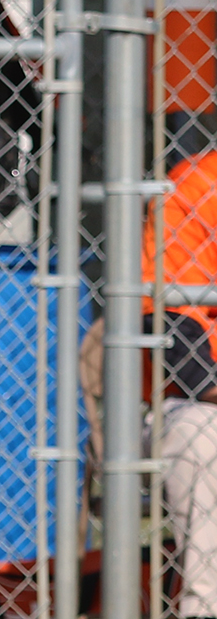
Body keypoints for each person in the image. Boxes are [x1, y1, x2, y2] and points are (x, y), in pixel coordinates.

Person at [141, 149, 217, 619]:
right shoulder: (196, 184)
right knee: (204, 436)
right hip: (196, 401)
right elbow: (176, 339)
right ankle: (206, 609)